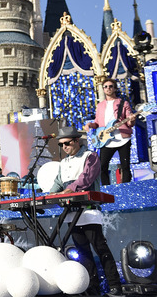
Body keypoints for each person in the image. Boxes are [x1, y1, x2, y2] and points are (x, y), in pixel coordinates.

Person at [50, 126, 123, 297]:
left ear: (77, 141)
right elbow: (58, 182)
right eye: (61, 145)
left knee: (100, 249)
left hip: (88, 212)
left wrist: (69, 189)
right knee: (83, 253)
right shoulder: (63, 162)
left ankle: (115, 286)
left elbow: (87, 177)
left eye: (67, 143)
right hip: (71, 213)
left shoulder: (90, 156)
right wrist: (49, 195)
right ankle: (92, 288)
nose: (64, 147)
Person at [84, 78, 137, 185]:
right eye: (106, 87)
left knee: (125, 165)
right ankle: (106, 188)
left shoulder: (123, 103)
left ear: (115, 88)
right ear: (103, 89)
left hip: (122, 139)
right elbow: (97, 123)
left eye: (110, 86)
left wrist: (132, 119)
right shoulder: (100, 106)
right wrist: (90, 124)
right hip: (106, 140)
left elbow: (129, 123)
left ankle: (126, 186)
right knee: (102, 166)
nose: (108, 88)